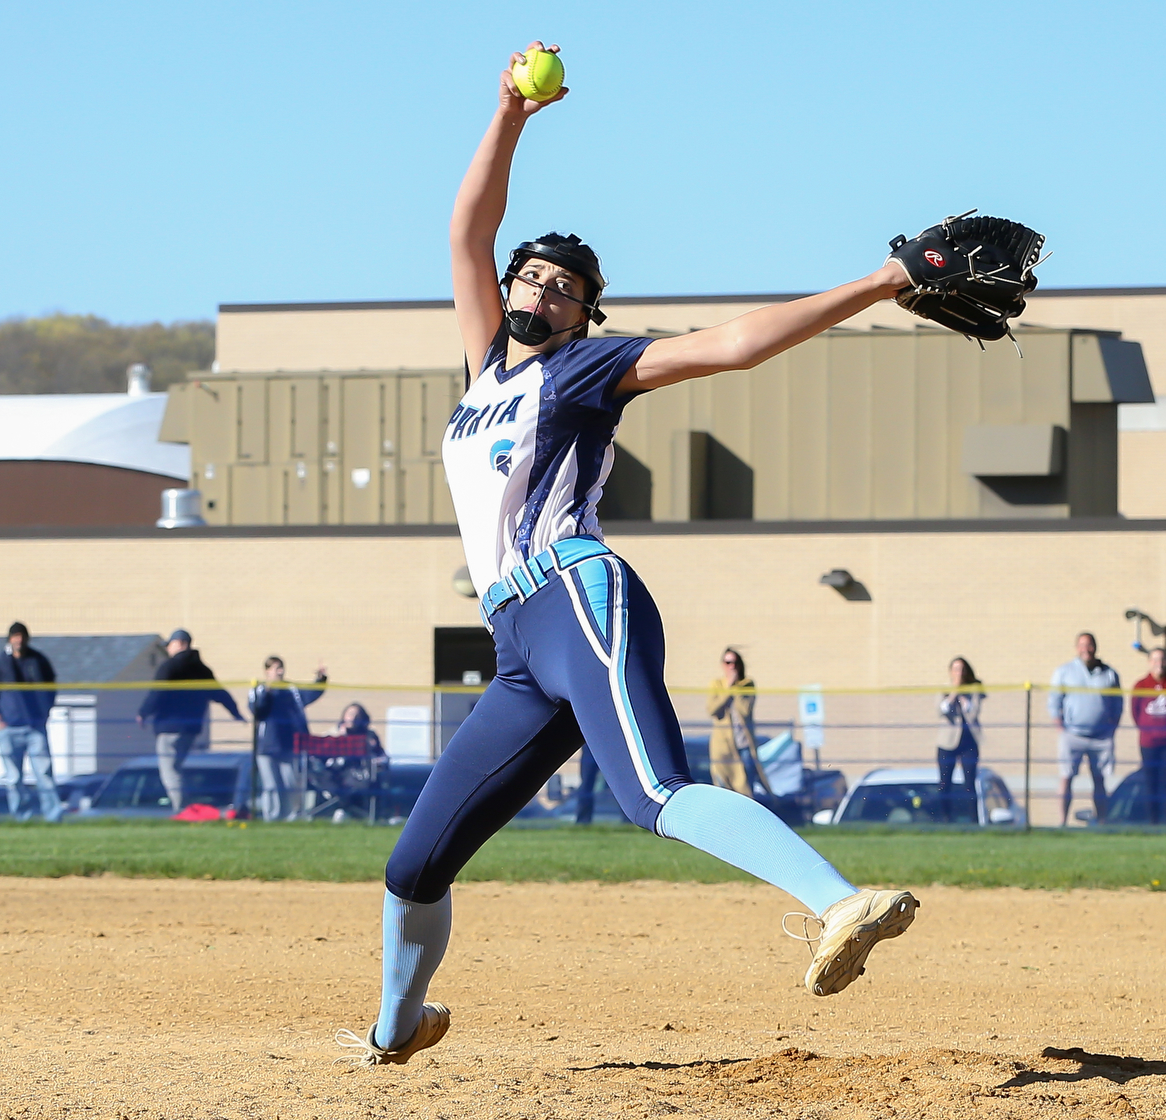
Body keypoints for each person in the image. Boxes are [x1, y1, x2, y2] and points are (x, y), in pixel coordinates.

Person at [335, 43, 920, 1068]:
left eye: (567, 288)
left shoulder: (583, 369)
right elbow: (465, 232)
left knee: (651, 794)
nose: (544, 290)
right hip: (519, 644)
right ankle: (394, 1029)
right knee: (415, 859)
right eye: (534, 275)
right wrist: (509, 113)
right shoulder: (485, 370)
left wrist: (874, 281)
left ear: (584, 315)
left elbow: (731, 344)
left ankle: (841, 903)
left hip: (576, 592)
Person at [137, 629, 245, 812]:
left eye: (170, 645)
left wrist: (143, 713)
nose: (168, 650)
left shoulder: (169, 667)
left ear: (180, 643)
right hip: (191, 729)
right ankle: (186, 807)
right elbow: (219, 693)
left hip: (169, 728)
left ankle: (181, 809)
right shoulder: (202, 669)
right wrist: (235, 712)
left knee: (169, 770)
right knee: (176, 769)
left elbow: (157, 693)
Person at [0, 622, 60, 822]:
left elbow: (52, 687)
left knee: (44, 773)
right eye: (15, 636)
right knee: (14, 778)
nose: (19, 640)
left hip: (34, 726)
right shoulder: (0, 662)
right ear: (9, 639)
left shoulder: (38, 660)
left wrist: (46, 711)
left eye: (22, 636)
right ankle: (21, 818)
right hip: (9, 728)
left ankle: (53, 816)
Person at [1048, 632, 1123, 826]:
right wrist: (1061, 728)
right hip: (1072, 734)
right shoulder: (1064, 671)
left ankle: (1102, 822)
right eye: (1082, 645)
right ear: (1076, 648)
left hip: (1101, 737)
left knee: (1099, 780)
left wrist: (1111, 728)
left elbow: (1118, 703)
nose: (1086, 649)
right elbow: (1054, 702)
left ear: (1095, 647)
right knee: (1066, 778)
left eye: (1089, 645)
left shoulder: (1109, 673)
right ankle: (1062, 822)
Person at [248, 657, 327, 822]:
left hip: (290, 745)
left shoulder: (292, 690)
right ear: (267, 671)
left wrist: (321, 680)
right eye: (275, 668)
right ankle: (271, 817)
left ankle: (289, 817)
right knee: (271, 786)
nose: (279, 672)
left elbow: (311, 693)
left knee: (290, 782)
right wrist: (268, 692)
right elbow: (257, 710)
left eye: (281, 668)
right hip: (266, 746)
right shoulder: (260, 690)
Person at [1130, 647, 1166, 826]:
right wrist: (1149, 730)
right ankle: (1152, 823)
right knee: (1150, 783)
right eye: (1155, 660)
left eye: (1162, 660)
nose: (1159, 664)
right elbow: (1135, 712)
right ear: (1149, 662)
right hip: (1149, 743)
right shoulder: (1141, 686)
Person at [707, 648, 763, 796]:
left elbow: (745, 710)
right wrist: (727, 689)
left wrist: (736, 688)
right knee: (724, 785)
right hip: (723, 746)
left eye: (735, 663)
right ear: (722, 664)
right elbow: (712, 710)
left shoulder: (747, 684)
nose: (732, 666)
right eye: (728, 662)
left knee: (746, 786)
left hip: (743, 744)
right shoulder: (717, 684)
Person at [936, 657, 984, 822]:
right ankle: (946, 819)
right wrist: (953, 694)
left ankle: (973, 821)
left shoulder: (974, 690)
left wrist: (964, 699)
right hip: (947, 742)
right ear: (950, 672)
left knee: (969, 784)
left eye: (962, 669)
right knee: (944, 783)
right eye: (956, 669)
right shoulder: (944, 690)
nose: (959, 673)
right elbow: (941, 710)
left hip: (968, 741)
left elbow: (973, 713)